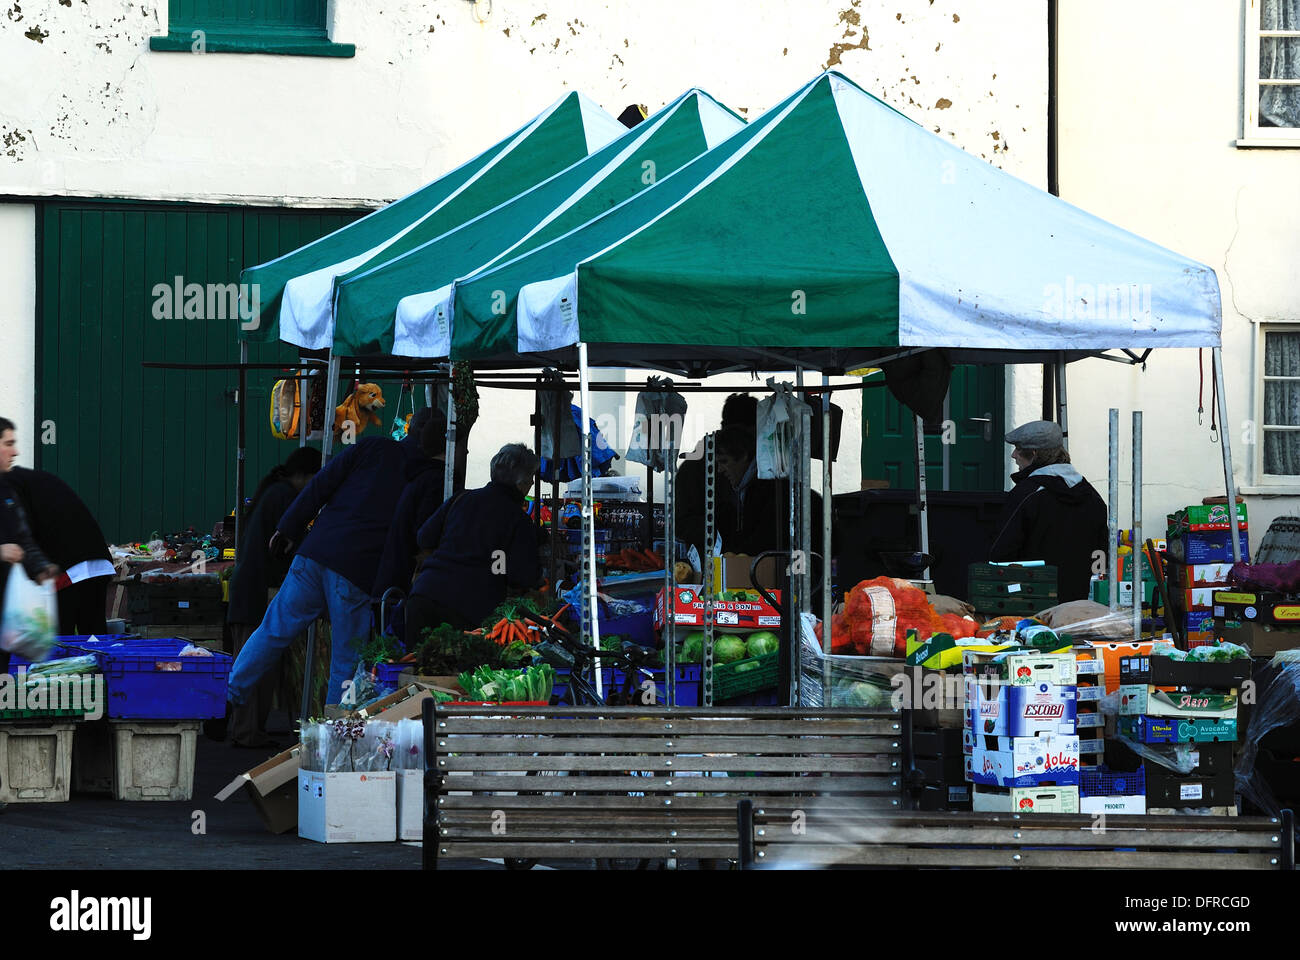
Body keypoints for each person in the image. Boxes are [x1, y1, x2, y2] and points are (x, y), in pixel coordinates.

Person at [227, 421, 436, 709]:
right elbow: (413, 537)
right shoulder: (428, 476)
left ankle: (228, 694)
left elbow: (322, 483)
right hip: (356, 569)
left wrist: (289, 526)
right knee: (345, 661)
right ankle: (331, 732)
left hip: (315, 552)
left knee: (272, 629)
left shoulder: (372, 446)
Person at [224, 446, 321, 748]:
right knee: (255, 662)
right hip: (256, 590)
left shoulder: (276, 493)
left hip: (251, 588)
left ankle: (251, 729)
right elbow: (289, 547)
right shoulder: (284, 498)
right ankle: (245, 731)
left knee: (259, 663)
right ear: (305, 476)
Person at [403, 443, 542, 642]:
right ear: (521, 483)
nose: (530, 484)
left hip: (424, 596)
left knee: (417, 668)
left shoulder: (462, 499)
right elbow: (523, 576)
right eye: (531, 479)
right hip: (467, 609)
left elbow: (424, 537)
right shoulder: (517, 520)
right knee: (457, 671)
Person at [0, 419, 60, 814]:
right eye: (8, 443)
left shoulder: (6, 491)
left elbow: (21, 536)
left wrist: (40, 567)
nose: (16, 451)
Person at [989, 420, 1108, 603]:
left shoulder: (1026, 494)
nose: (1013, 455)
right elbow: (1100, 557)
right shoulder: (1093, 498)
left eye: (1018, 449)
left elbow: (1000, 553)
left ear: (1034, 454)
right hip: (1079, 607)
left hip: (1030, 603)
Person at [5, 465, 113, 636]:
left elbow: (20, 533)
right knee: (94, 639)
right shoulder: (30, 479)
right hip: (96, 559)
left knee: (60, 642)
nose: (15, 452)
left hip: (69, 566)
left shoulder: (10, 485)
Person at [372, 409, 448, 631]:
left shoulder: (414, 473)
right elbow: (423, 534)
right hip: (401, 586)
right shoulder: (433, 480)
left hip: (390, 581)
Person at [675, 393, 754, 558]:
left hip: (726, 560)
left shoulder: (695, 463)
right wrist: (720, 529)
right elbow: (681, 524)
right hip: (712, 559)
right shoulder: (700, 466)